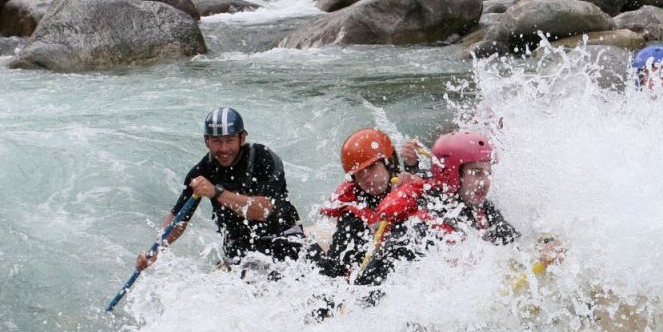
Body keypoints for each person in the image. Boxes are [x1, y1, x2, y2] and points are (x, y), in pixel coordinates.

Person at [133, 107, 304, 272]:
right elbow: (179, 218)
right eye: (216, 141)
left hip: (283, 238)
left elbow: (264, 211)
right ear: (206, 140)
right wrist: (155, 251)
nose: (223, 149)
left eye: (230, 140)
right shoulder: (202, 171)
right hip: (240, 248)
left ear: (242, 138)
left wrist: (217, 192)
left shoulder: (263, 158)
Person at [353, 131, 521, 289]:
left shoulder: (482, 208)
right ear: (452, 174)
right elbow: (369, 282)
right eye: (477, 173)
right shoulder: (420, 224)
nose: (485, 182)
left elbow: (514, 244)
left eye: (488, 174)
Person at [307, 128, 425, 278]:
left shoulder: (412, 183)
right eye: (359, 173)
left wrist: (413, 167)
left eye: (371, 167)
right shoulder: (353, 216)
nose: (365, 177)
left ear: (389, 162)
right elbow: (336, 270)